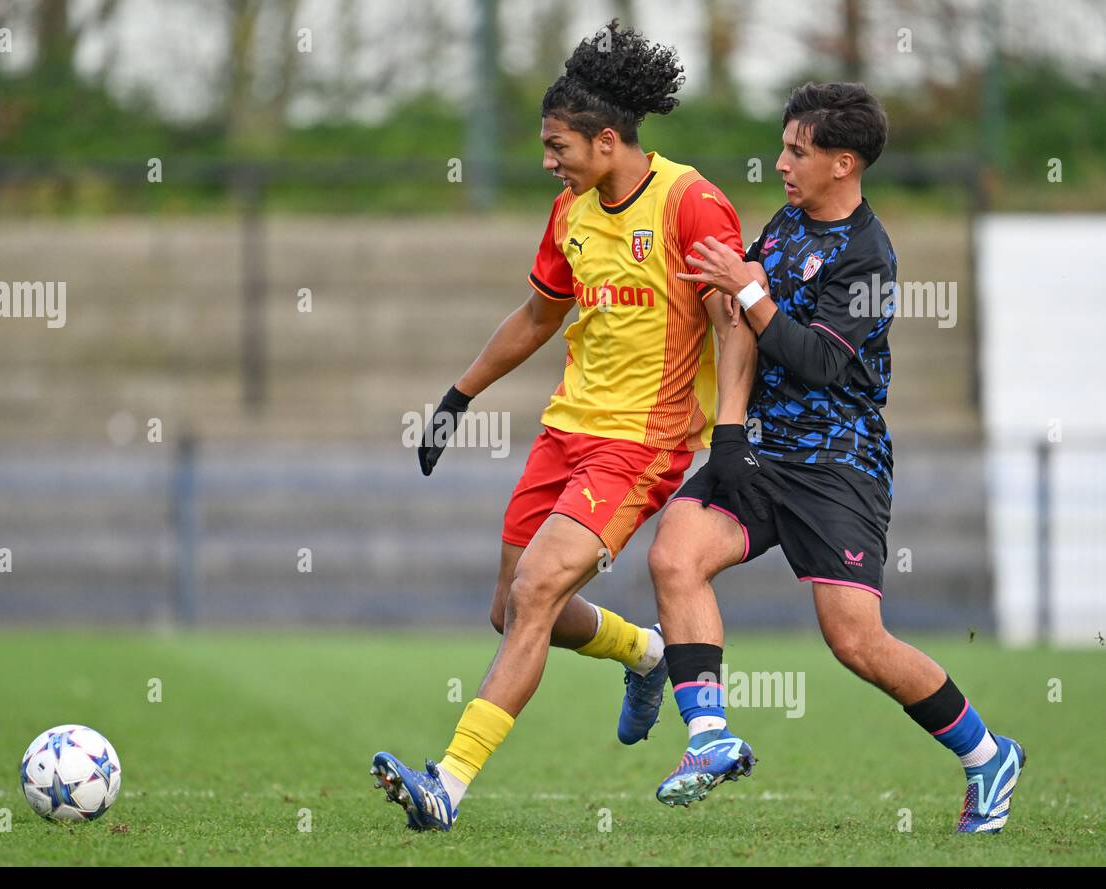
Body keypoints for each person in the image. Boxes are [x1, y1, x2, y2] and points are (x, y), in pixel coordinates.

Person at [370, 20, 756, 832]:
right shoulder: (570, 212)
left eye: (558, 146)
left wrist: (728, 436)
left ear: (606, 140)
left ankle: (447, 784)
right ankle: (645, 654)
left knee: (539, 589)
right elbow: (540, 315)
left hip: (641, 444)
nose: (549, 160)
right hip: (565, 432)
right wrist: (457, 396)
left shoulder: (690, 203)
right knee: (511, 607)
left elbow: (736, 319)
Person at [650, 81, 1025, 833]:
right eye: (784, 145)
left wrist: (750, 296)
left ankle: (988, 754)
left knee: (855, 639)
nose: (781, 162)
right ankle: (710, 737)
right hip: (760, 453)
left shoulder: (869, 258)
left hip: (838, 466)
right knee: (673, 557)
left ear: (843, 163)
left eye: (798, 150)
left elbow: (820, 361)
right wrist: (726, 433)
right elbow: (744, 325)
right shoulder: (787, 224)